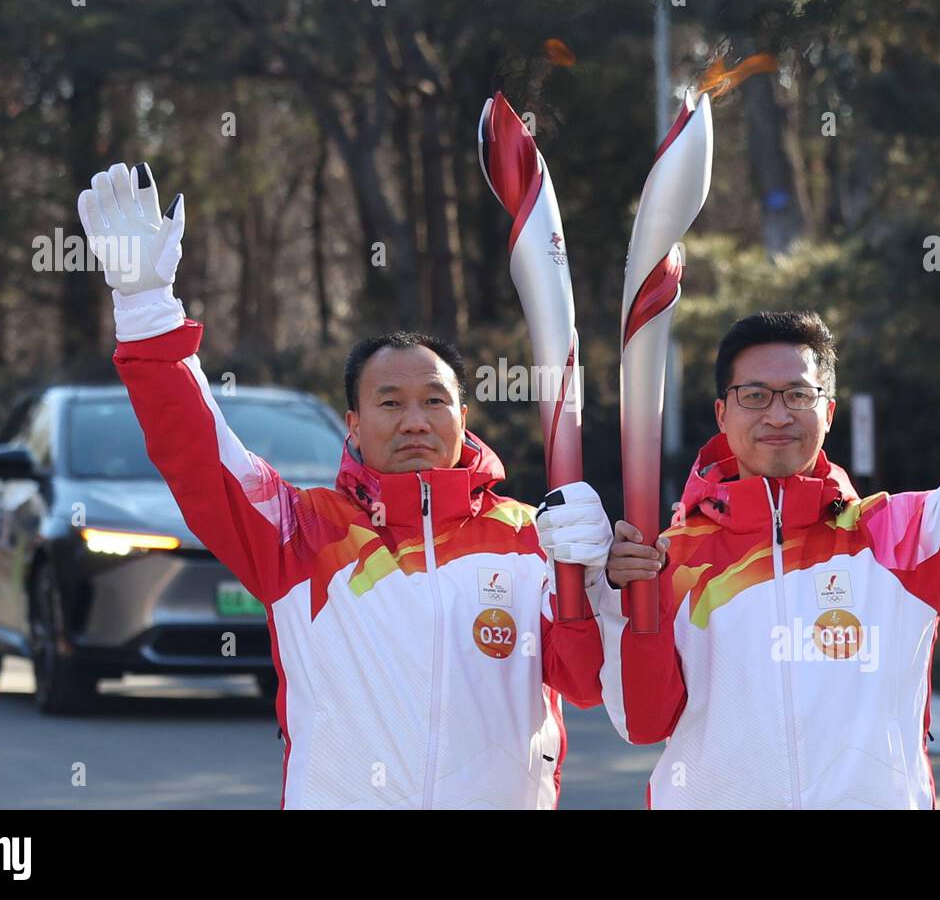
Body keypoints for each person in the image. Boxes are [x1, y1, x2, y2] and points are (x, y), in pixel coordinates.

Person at [78, 160, 613, 809]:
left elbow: (588, 682)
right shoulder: (300, 532)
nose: (415, 420)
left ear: (463, 418)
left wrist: (603, 582)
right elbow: (196, 452)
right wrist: (146, 311)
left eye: (433, 401)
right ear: (354, 426)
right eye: (390, 403)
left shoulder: (531, 538)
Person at [602, 214, 940, 809]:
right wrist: (616, 603)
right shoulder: (666, 557)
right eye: (754, 396)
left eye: (798, 396)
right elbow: (644, 722)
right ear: (722, 415)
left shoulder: (897, 539)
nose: (777, 415)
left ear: (828, 411)